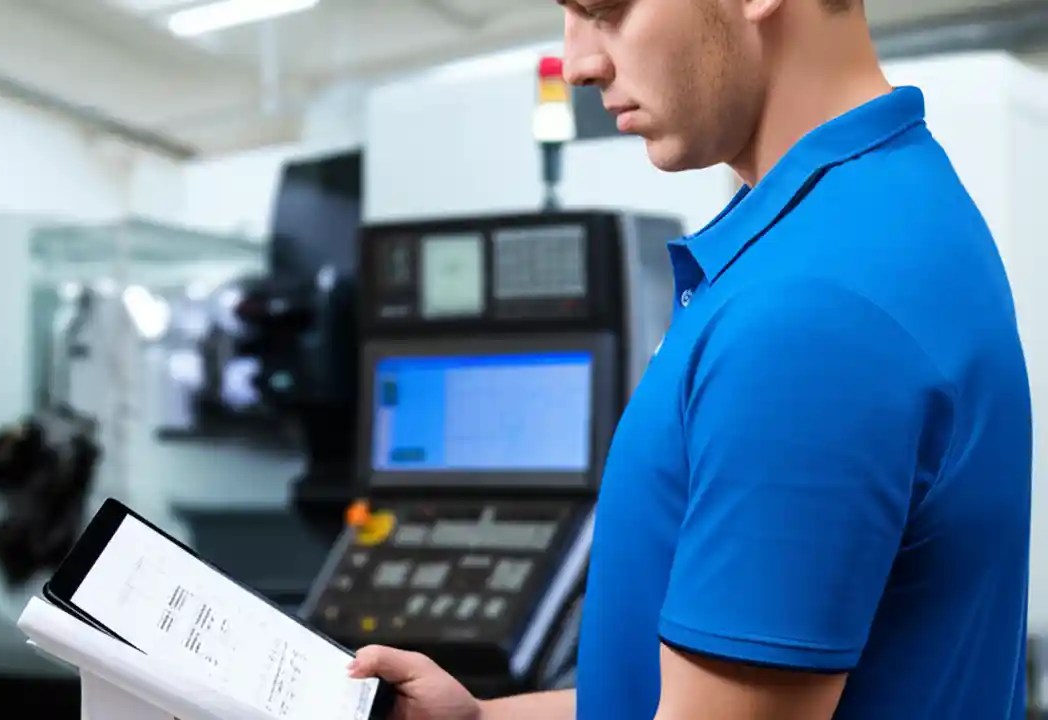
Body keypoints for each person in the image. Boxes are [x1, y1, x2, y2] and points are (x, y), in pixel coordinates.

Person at [349, 0, 1033, 718]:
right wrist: (483, 718)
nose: (579, 61)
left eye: (603, 8)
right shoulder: (881, 217)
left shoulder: (809, 314)